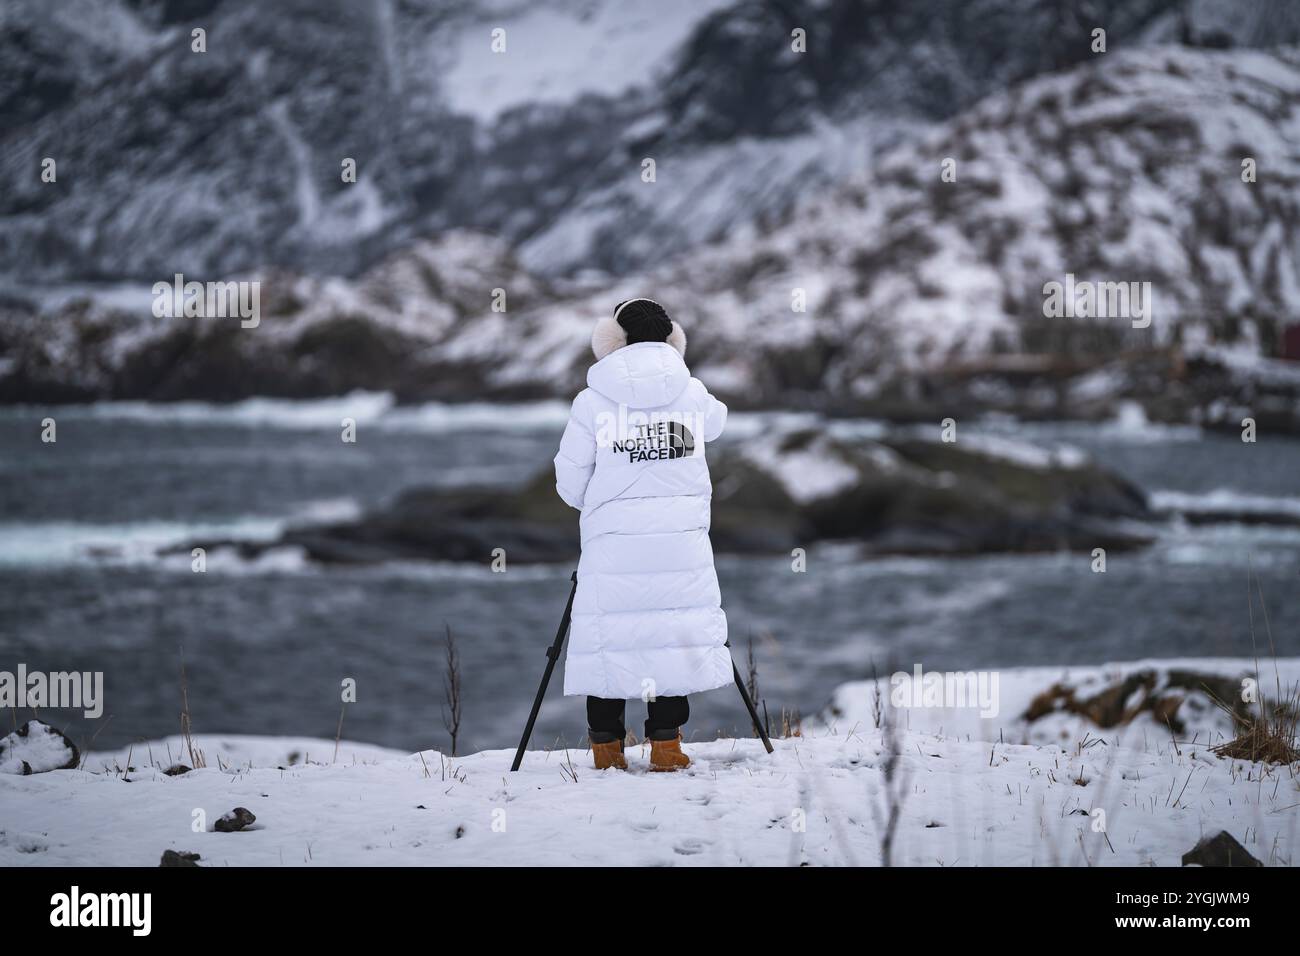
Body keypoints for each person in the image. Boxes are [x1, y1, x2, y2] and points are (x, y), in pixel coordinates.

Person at [553, 298, 731, 772]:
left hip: (612, 546)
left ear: (612, 339)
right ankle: (667, 749)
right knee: (670, 636)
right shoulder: (691, 392)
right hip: (680, 543)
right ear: (673, 338)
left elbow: (569, 481)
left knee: (607, 637)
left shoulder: (592, 401)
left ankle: (607, 751)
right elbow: (718, 423)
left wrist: (605, 505)